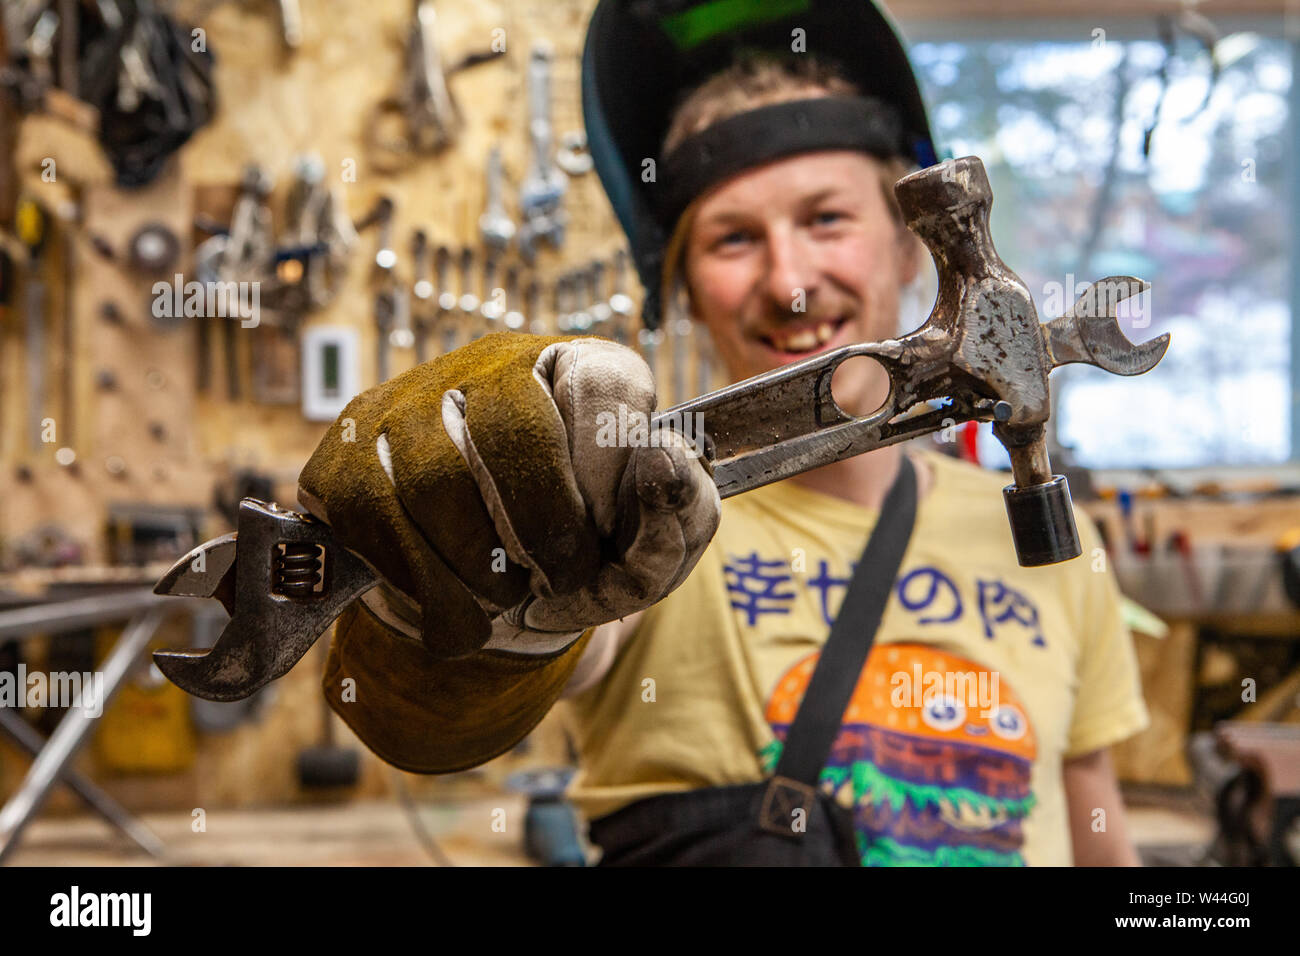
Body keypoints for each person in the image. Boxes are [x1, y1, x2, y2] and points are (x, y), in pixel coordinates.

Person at [297, 0, 1149, 866]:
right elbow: (439, 715)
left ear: (909, 248)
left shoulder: (1056, 550)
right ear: (685, 293)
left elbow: (1094, 820)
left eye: (826, 219)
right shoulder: (642, 522)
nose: (789, 283)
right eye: (734, 238)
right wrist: (461, 593)